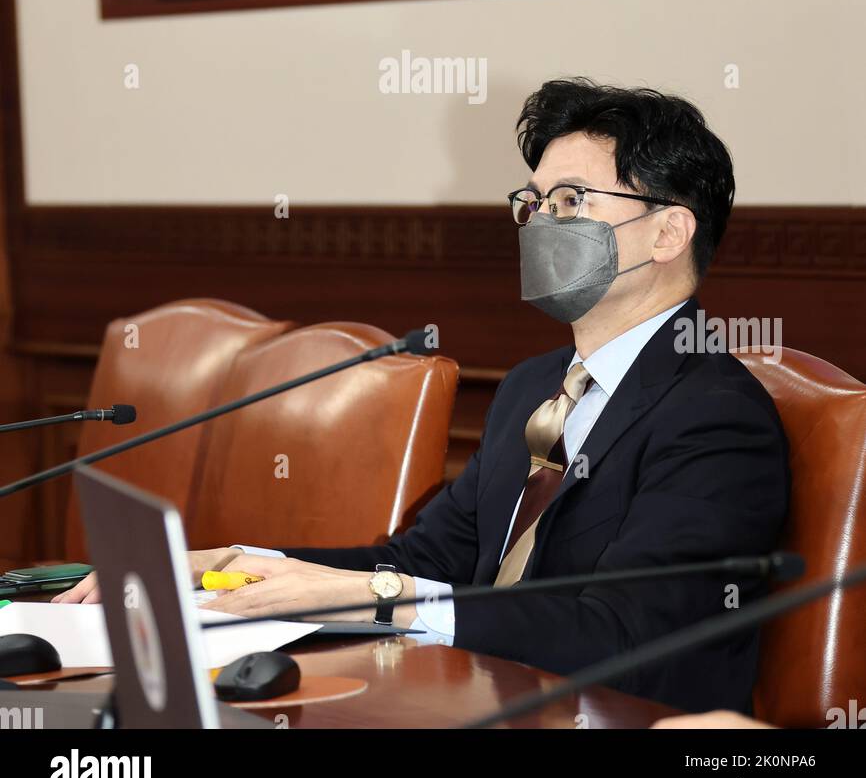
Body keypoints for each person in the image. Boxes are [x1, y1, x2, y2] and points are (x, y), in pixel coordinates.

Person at [57, 79, 790, 716]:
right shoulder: (534, 388)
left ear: (668, 232)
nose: (539, 222)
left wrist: (385, 598)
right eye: (531, 201)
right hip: (466, 697)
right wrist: (236, 567)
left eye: (569, 200)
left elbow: (624, 638)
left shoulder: (715, 418)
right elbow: (419, 559)